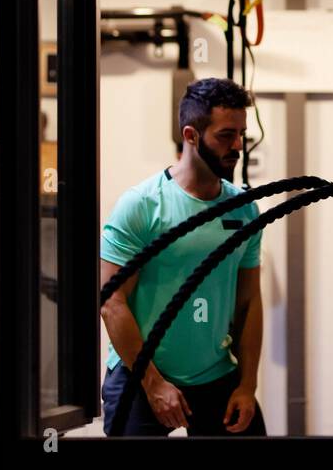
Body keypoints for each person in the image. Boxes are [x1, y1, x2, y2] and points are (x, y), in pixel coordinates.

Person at [100, 77, 267, 437]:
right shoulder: (142, 206)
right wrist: (153, 384)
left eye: (241, 134)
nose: (237, 146)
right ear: (191, 136)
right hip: (142, 377)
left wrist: (247, 384)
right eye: (226, 135)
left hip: (217, 377)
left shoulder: (244, 208)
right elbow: (112, 303)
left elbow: (249, 302)